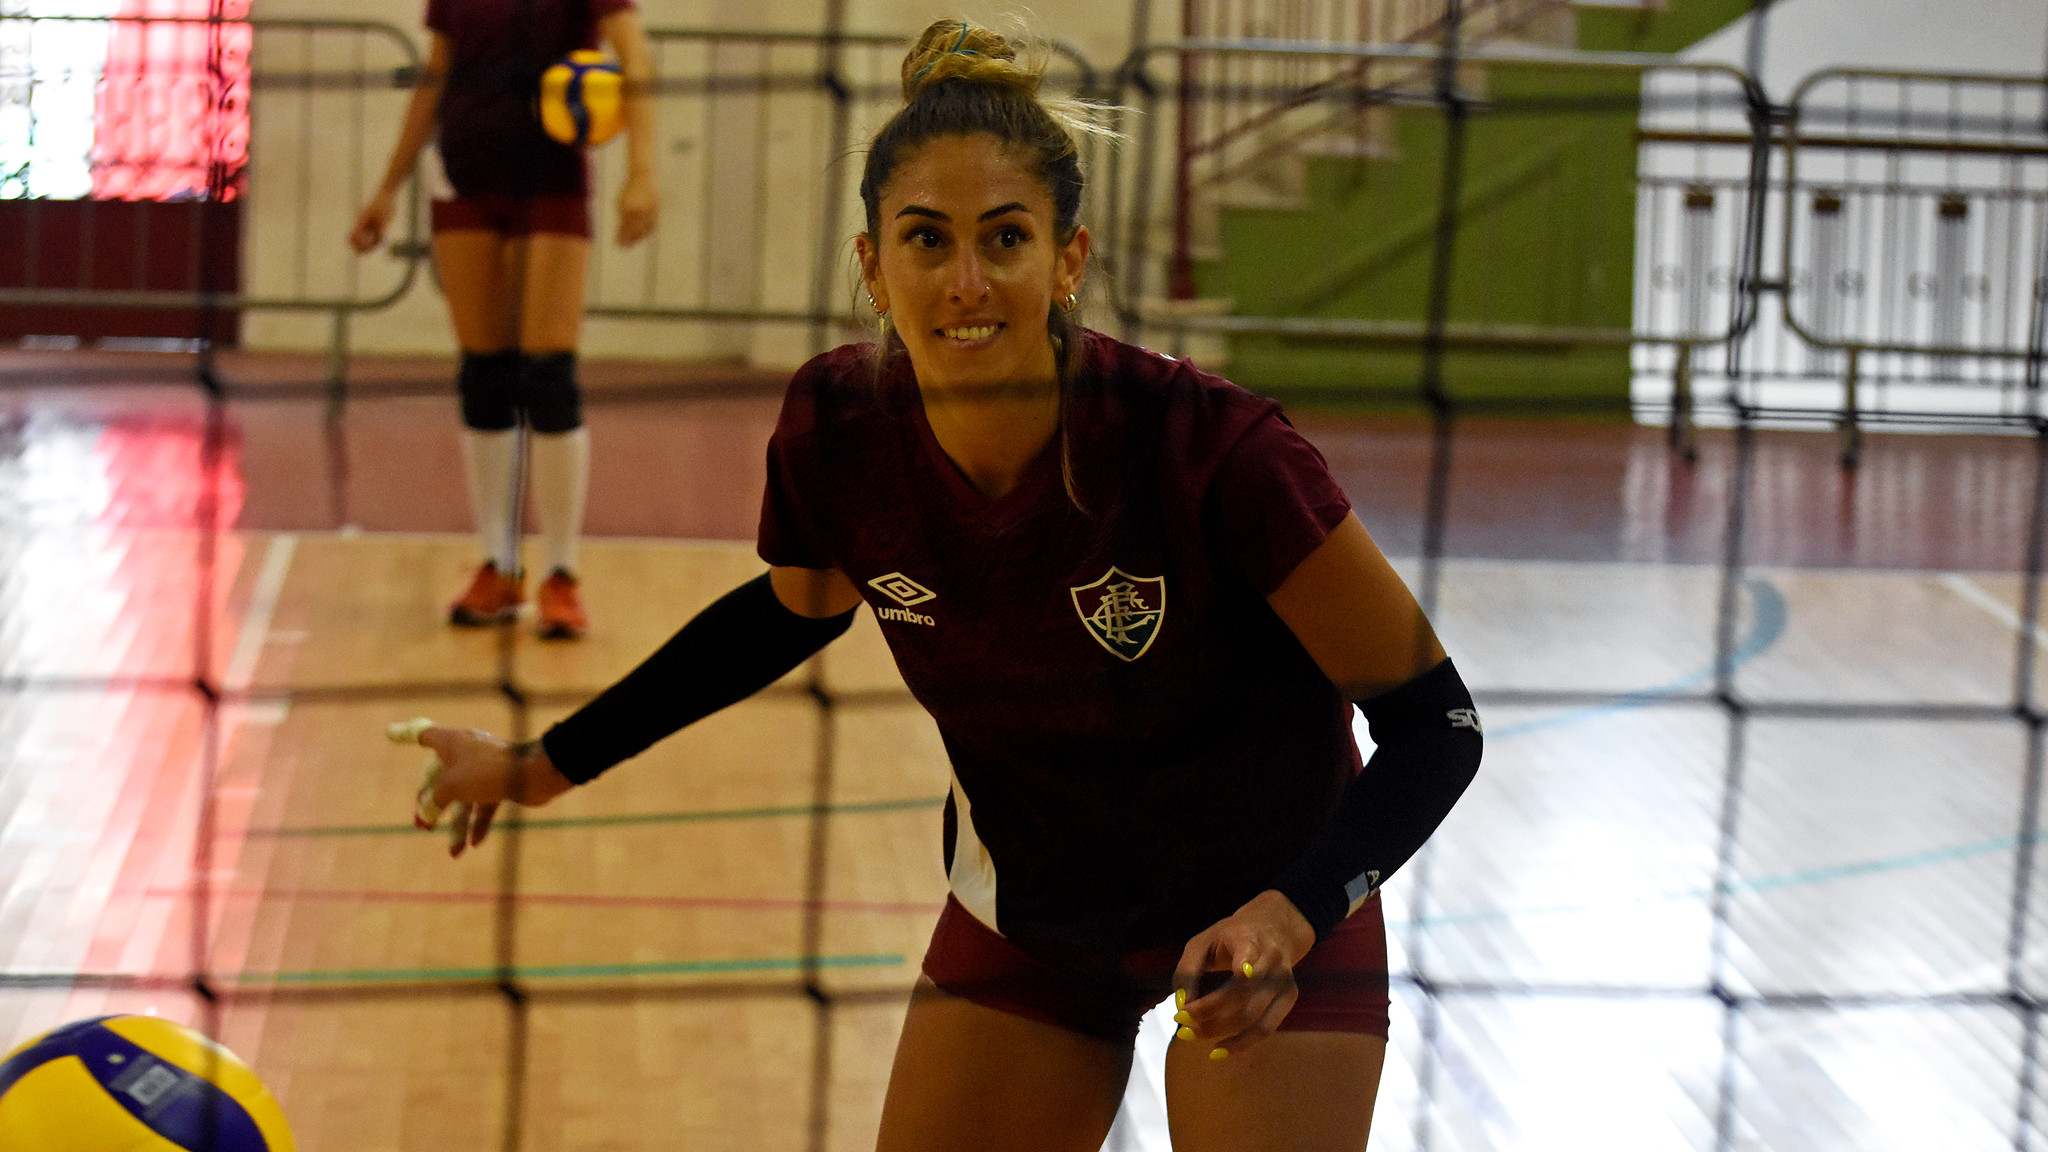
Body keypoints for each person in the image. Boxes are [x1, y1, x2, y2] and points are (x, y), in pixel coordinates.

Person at [410, 19, 1481, 1150]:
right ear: (874, 265)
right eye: (925, 239)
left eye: (1004, 238)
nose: (965, 281)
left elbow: (1435, 726)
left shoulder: (1212, 450)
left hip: (1267, 919)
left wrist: (1293, 913)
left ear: (1065, 259)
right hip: (1034, 917)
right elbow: (783, 614)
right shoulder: (839, 430)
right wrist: (538, 766)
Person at [349, 0, 660, 640]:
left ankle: (563, 576)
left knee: (548, 375)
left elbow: (636, 59)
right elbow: (435, 79)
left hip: (550, 177)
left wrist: (643, 172)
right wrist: (386, 188)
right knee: (485, 375)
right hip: (463, 176)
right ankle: (501, 565)